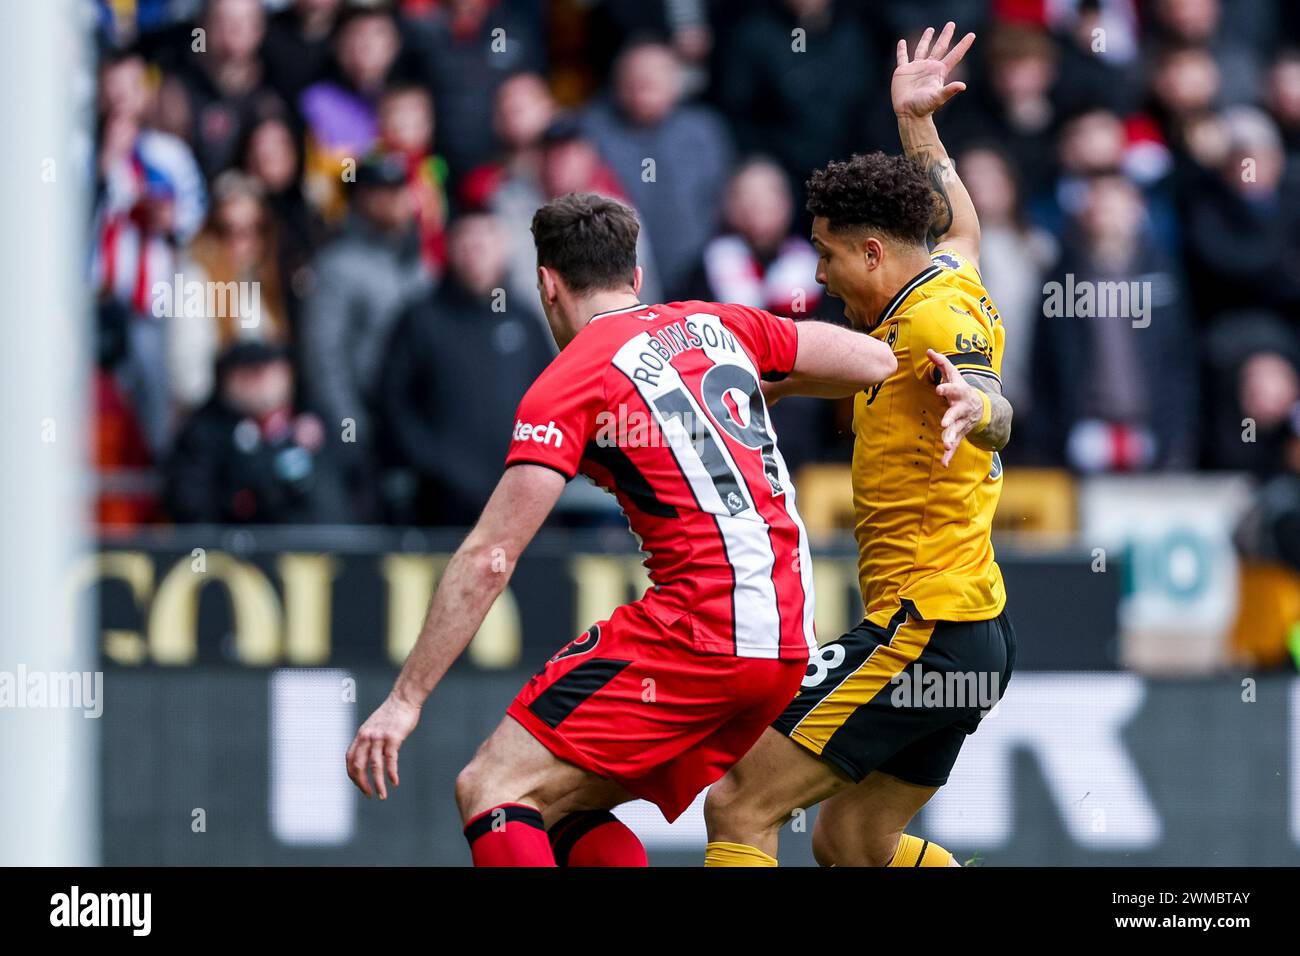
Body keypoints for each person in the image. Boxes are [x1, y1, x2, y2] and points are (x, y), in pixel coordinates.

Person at [345, 192, 897, 866]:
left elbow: (492, 555)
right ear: (635, 278)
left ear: (546, 283)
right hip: (785, 642)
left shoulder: (570, 380)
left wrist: (405, 700)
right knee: (560, 805)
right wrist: (764, 388)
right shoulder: (715, 324)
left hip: (703, 634)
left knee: (490, 788)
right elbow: (873, 362)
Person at [702, 23, 1016, 868]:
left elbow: (992, 403)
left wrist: (974, 409)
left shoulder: (939, 318)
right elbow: (963, 223)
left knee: (738, 800)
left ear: (873, 251)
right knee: (852, 844)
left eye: (829, 254)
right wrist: (917, 124)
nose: (820, 275)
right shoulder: (949, 273)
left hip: (928, 626)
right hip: (970, 633)